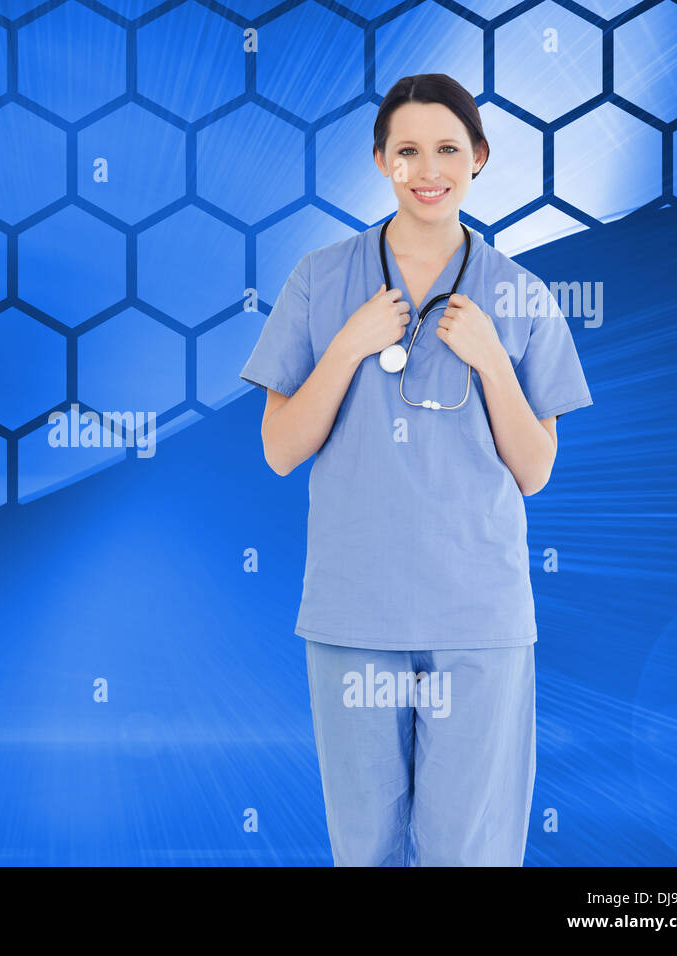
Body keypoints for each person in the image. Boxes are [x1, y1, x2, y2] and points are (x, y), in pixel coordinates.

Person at [239, 73, 592, 866]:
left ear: (479, 158)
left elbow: (535, 469)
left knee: (469, 850)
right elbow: (280, 448)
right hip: (354, 613)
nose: (427, 169)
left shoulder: (521, 294)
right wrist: (349, 344)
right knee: (362, 848)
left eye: (446, 149)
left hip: (478, 618)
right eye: (407, 151)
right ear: (380, 161)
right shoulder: (319, 281)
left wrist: (494, 365)